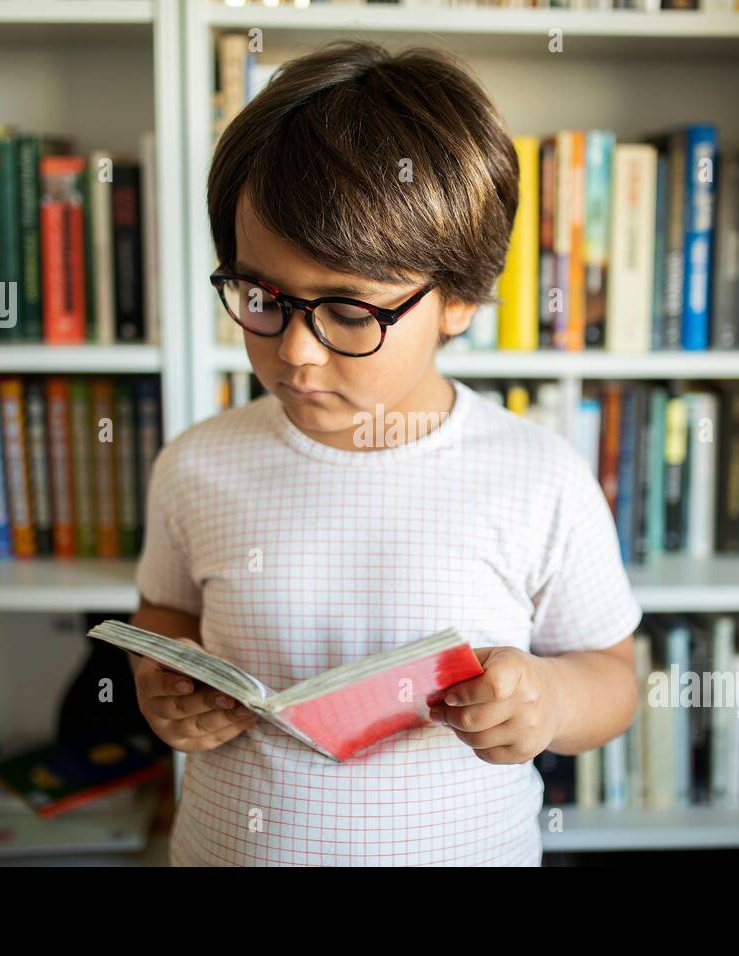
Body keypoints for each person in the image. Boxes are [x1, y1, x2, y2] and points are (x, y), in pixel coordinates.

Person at [129, 40, 641, 866]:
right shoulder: (197, 464)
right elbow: (164, 617)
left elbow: (613, 679)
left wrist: (545, 699)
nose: (295, 351)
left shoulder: (535, 476)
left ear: (462, 298)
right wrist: (166, 690)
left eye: (348, 311)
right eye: (262, 297)